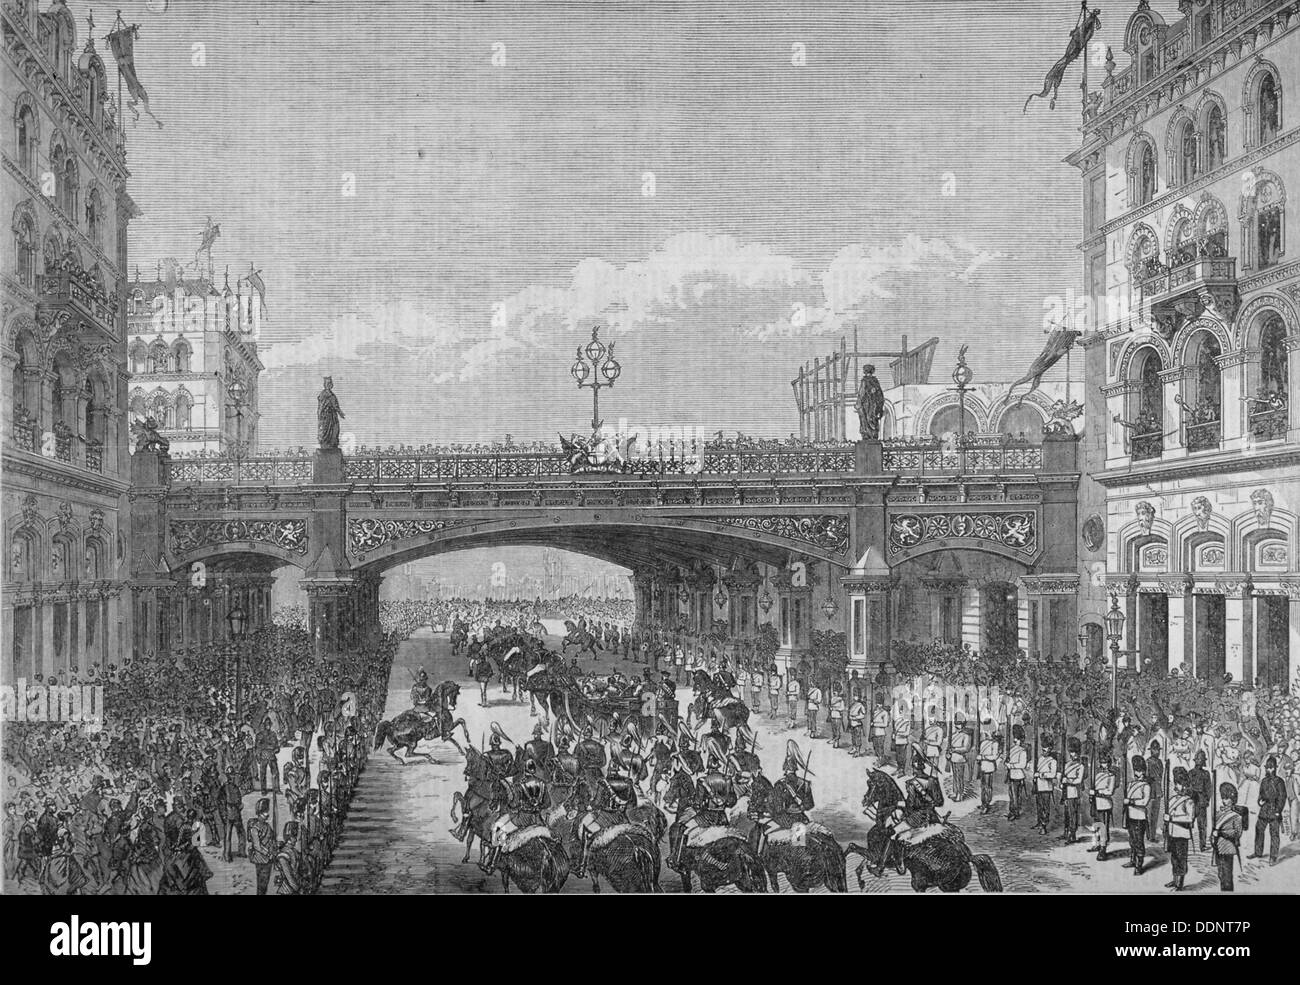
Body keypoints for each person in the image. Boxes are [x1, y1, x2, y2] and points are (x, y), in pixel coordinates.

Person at [1251, 755, 1286, 864]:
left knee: (1274, 834)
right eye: (1268, 768)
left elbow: (1282, 798)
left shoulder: (1280, 782)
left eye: (1271, 768)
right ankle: (1258, 852)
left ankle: (1273, 857)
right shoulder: (1264, 781)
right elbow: (1260, 795)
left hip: (1274, 810)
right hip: (1264, 810)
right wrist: (1260, 801)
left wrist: (1278, 811)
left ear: (1275, 768)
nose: (1269, 770)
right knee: (1259, 830)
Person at [1164, 768, 1193, 892]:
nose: (1177, 786)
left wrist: (1172, 818)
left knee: (1181, 859)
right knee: (1174, 858)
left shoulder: (1189, 801)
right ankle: (1175, 879)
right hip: (1172, 833)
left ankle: (1180, 883)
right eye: (1176, 783)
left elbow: (1189, 818)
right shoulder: (1172, 799)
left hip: (1182, 834)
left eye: (1179, 783)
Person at [1123, 756, 1151, 876]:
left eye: (1140, 770)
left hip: (1139, 817)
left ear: (1144, 771)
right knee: (1132, 840)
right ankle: (1133, 860)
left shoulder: (1146, 786)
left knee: (1139, 841)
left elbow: (1144, 802)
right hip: (1130, 816)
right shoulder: (1131, 784)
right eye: (1136, 770)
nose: (1137, 773)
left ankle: (1139, 865)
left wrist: (1131, 802)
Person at [1212, 782, 1244, 891]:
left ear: (1233, 799)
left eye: (1227, 798)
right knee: (1221, 874)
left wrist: (1221, 833)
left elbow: (1237, 833)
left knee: (1227, 877)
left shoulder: (1236, 816)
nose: (1224, 801)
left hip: (1228, 848)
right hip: (1218, 847)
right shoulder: (1218, 813)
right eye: (1223, 798)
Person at [246, 797, 276, 896]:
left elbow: (271, 840)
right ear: (259, 813)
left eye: (267, 811)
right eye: (265, 812)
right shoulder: (255, 828)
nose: (267, 814)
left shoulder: (267, 826)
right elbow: (257, 846)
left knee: (265, 883)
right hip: (261, 859)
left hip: (268, 859)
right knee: (262, 884)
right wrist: (268, 853)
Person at [1091, 749, 1116, 860]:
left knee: (1103, 827)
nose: (1104, 765)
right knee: (1096, 825)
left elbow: (1109, 791)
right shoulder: (1097, 775)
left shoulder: (1111, 776)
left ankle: (1103, 848)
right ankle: (1097, 843)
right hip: (1096, 803)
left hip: (1105, 804)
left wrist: (1098, 792)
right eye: (1102, 762)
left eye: (1105, 762)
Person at [1061, 738, 1085, 844]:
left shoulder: (1080, 766)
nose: (1073, 754)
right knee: (1067, 814)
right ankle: (1067, 832)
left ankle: (1073, 833)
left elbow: (1078, 780)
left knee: (1073, 814)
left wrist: (1068, 780)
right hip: (1066, 792)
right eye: (1071, 752)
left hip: (1074, 792)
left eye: (1075, 752)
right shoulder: (1067, 765)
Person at [1034, 742, 1058, 835]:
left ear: (1050, 749)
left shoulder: (1052, 761)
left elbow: (1052, 774)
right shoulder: (1040, 759)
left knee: (1045, 807)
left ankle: (1044, 825)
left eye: (1045, 748)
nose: (1043, 750)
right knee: (1039, 806)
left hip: (1046, 787)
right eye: (1043, 748)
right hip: (1039, 786)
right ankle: (1039, 822)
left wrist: (1040, 775)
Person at [949, 714, 972, 801]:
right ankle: (955, 792)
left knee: (959, 777)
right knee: (955, 777)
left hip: (960, 758)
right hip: (953, 758)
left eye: (959, 723)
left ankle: (960, 794)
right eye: (956, 723)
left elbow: (966, 748)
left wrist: (954, 749)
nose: (957, 725)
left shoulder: (966, 736)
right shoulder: (954, 735)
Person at [977, 725, 1000, 815]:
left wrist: (983, 757)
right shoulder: (983, 743)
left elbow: (994, 756)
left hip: (989, 767)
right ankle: (983, 802)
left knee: (987, 787)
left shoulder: (995, 744)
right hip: (982, 767)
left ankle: (986, 804)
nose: (987, 733)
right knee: (983, 786)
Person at [1146, 740, 1164, 841]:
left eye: (1158, 750)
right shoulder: (1148, 761)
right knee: (1149, 815)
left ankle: (1152, 835)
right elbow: (1147, 776)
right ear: (1151, 750)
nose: (1157, 752)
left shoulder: (1160, 762)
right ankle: (1149, 835)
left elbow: (1161, 775)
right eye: (1155, 750)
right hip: (1150, 791)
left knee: (1155, 815)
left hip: (1157, 791)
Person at [870, 696, 890, 761]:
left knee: (880, 747)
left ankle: (881, 759)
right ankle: (879, 758)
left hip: (881, 733)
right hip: (874, 732)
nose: (879, 705)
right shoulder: (875, 712)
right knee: (875, 747)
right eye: (878, 703)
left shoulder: (884, 713)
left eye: (880, 704)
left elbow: (885, 724)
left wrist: (875, 724)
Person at [847, 690, 866, 757]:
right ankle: (854, 748)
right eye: (854, 696)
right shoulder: (852, 705)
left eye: (856, 696)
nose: (855, 697)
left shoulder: (861, 705)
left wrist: (855, 718)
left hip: (857, 724)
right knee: (853, 737)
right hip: (852, 723)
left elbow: (863, 715)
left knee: (858, 737)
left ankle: (858, 751)